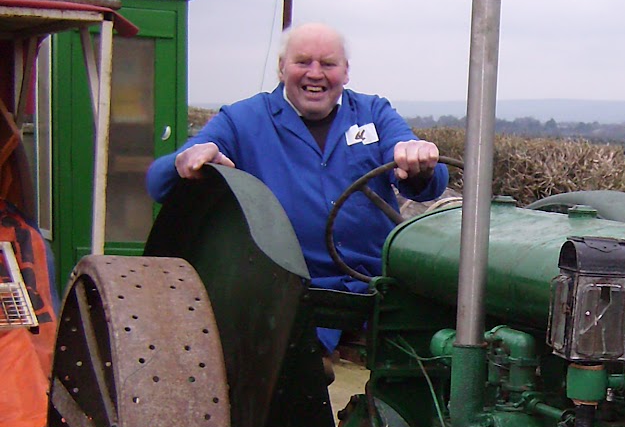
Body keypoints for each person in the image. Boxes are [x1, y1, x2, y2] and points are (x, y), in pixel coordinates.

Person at [146, 22, 448, 359]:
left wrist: (418, 159)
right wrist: (186, 161)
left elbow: (429, 184)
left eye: (328, 64)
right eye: (303, 62)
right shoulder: (243, 119)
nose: (315, 74)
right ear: (281, 67)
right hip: (289, 292)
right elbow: (158, 184)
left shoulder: (373, 113)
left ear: (345, 72)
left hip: (377, 287)